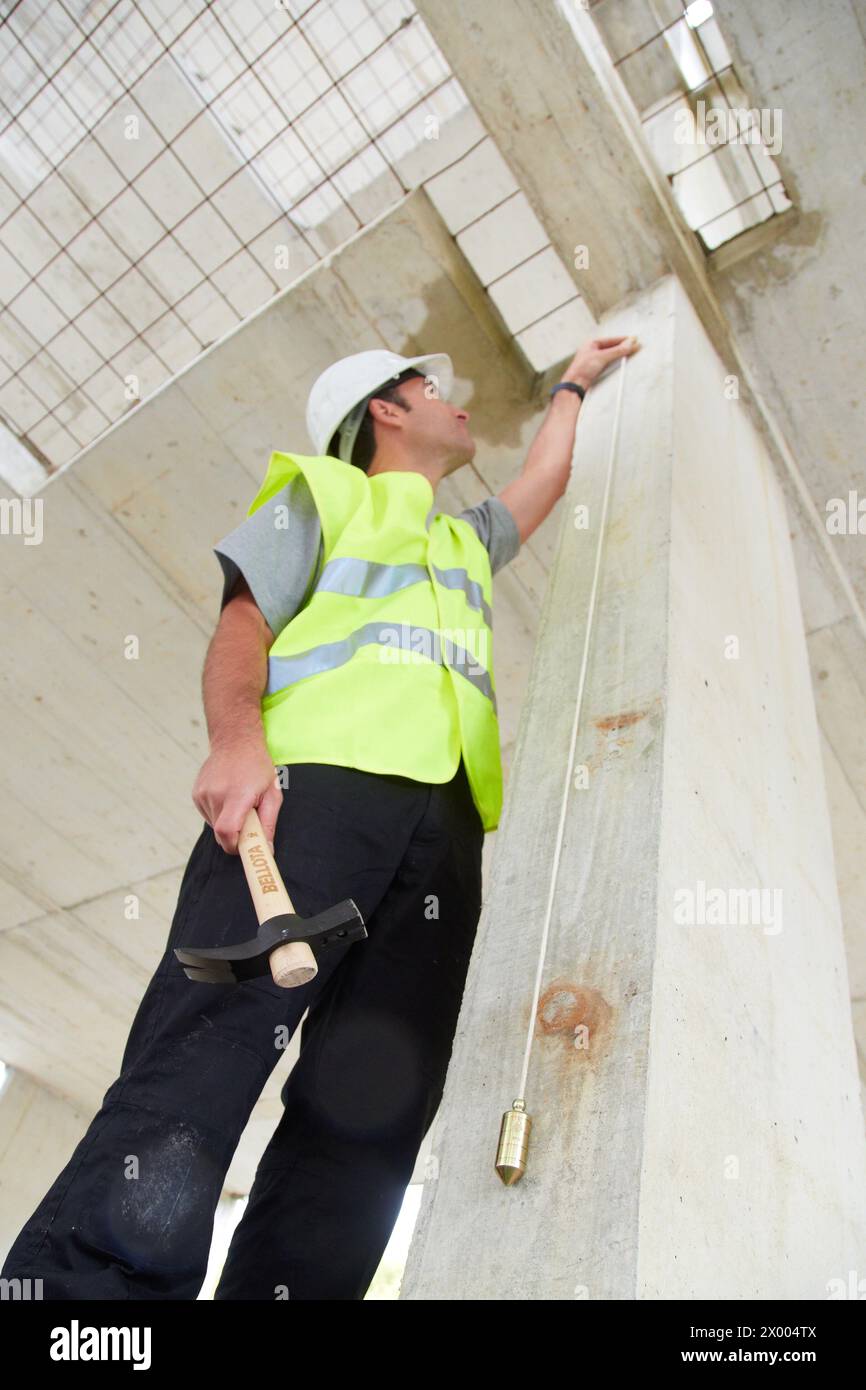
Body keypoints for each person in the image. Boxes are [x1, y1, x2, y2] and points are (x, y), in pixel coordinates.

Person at [1, 335, 638, 1300]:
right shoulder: (319, 493)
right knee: (208, 1054)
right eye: (433, 386)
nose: (455, 399)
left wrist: (574, 387)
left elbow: (544, 481)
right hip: (313, 791)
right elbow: (243, 625)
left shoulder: (461, 541)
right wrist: (234, 739)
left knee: (377, 1107)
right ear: (385, 409)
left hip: (444, 831)